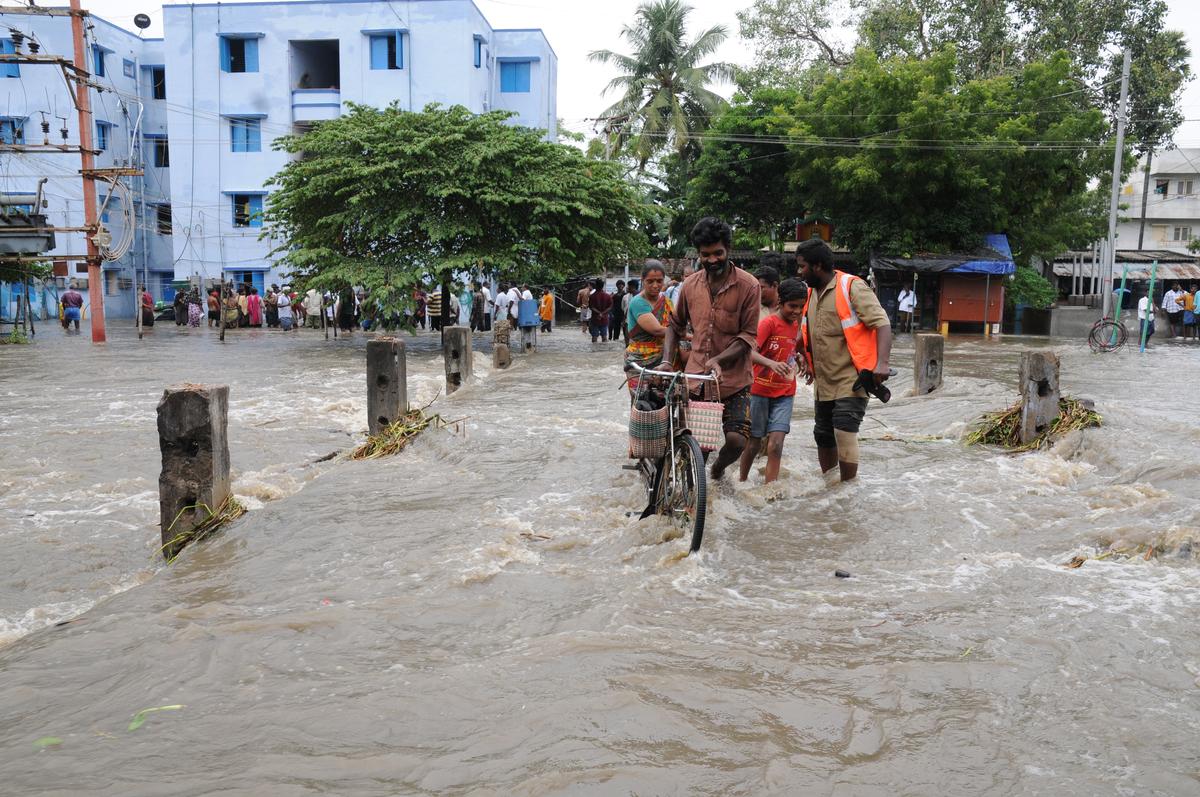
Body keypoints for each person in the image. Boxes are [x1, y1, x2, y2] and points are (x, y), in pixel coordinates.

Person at [661, 217, 759, 481]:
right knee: (698, 450)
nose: (712, 259)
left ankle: (718, 470)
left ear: (728, 249)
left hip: (734, 380)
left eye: (718, 253)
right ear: (699, 254)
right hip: (698, 381)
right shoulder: (690, 285)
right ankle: (694, 497)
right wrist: (667, 361)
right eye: (706, 255)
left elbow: (748, 336)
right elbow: (674, 325)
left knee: (737, 441)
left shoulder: (749, 285)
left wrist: (719, 359)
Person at [795, 239, 893, 483]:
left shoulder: (852, 287)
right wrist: (802, 357)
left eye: (802, 266)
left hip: (853, 378)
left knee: (844, 431)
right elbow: (806, 333)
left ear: (817, 266)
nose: (799, 271)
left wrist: (882, 363)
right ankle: (829, 487)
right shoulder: (810, 294)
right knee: (823, 436)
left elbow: (882, 323)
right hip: (824, 381)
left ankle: (847, 490)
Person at [739, 278, 807, 484]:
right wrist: (770, 363)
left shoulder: (797, 327)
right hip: (760, 390)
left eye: (800, 306)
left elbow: (797, 349)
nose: (796, 311)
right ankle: (741, 480)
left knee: (776, 444)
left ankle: (770, 489)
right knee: (754, 442)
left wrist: (803, 359)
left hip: (785, 392)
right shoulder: (768, 323)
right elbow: (748, 352)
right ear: (780, 303)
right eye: (792, 306)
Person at [624, 262, 672, 389]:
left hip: (664, 360)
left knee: (664, 402)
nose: (655, 285)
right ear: (643, 280)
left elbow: (677, 321)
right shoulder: (638, 302)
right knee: (641, 403)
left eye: (659, 281)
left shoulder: (666, 300)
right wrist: (688, 336)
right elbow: (657, 330)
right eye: (650, 281)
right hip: (640, 361)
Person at [588, 278, 612, 343]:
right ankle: (604, 352)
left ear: (595, 286)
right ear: (603, 286)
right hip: (604, 319)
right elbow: (610, 307)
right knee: (604, 337)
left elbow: (591, 307)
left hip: (595, 319)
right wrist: (602, 313)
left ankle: (594, 352)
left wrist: (599, 313)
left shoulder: (592, 296)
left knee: (594, 337)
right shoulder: (608, 296)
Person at [621, 279, 637, 346]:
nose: (627, 288)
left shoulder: (639, 297)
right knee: (627, 338)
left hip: (637, 321)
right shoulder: (628, 296)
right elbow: (626, 308)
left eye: (628, 286)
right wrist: (624, 319)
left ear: (633, 287)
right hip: (628, 320)